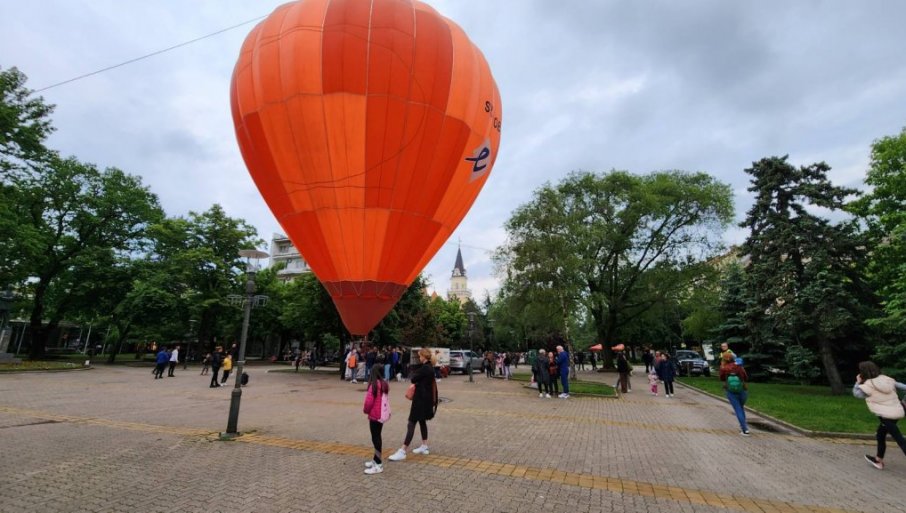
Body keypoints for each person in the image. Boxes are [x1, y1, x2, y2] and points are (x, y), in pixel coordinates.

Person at [853, 361, 906, 470]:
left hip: (886, 416)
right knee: (880, 435)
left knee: (900, 440)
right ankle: (878, 460)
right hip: (897, 412)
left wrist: (858, 382)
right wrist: (904, 403)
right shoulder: (886, 379)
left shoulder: (867, 386)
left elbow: (857, 394)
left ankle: (878, 460)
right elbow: (904, 387)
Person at [389, 348, 438, 462]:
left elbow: (413, 378)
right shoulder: (430, 367)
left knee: (411, 423)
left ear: (424, 357)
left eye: (420, 356)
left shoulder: (425, 368)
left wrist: (415, 374)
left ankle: (403, 450)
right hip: (425, 400)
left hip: (420, 400)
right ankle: (424, 445)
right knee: (422, 421)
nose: (419, 358)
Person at [363, 362, 390, 475]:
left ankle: (378, 464)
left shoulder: (374, 385)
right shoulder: (384, 384)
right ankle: (375, 459)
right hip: (381, 415)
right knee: (377, 436)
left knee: (376, 438)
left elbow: (368, 402)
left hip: (374, 415)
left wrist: (365, 410)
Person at [719, 353, 750, 435]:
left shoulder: (724, 368)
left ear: (724, 360)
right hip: (742, 390)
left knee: (738, 409)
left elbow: (721, 378)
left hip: (731, 391)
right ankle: (744, 427)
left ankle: (744, 429)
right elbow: (746, 377)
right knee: (741, 407)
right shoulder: (739, 366)